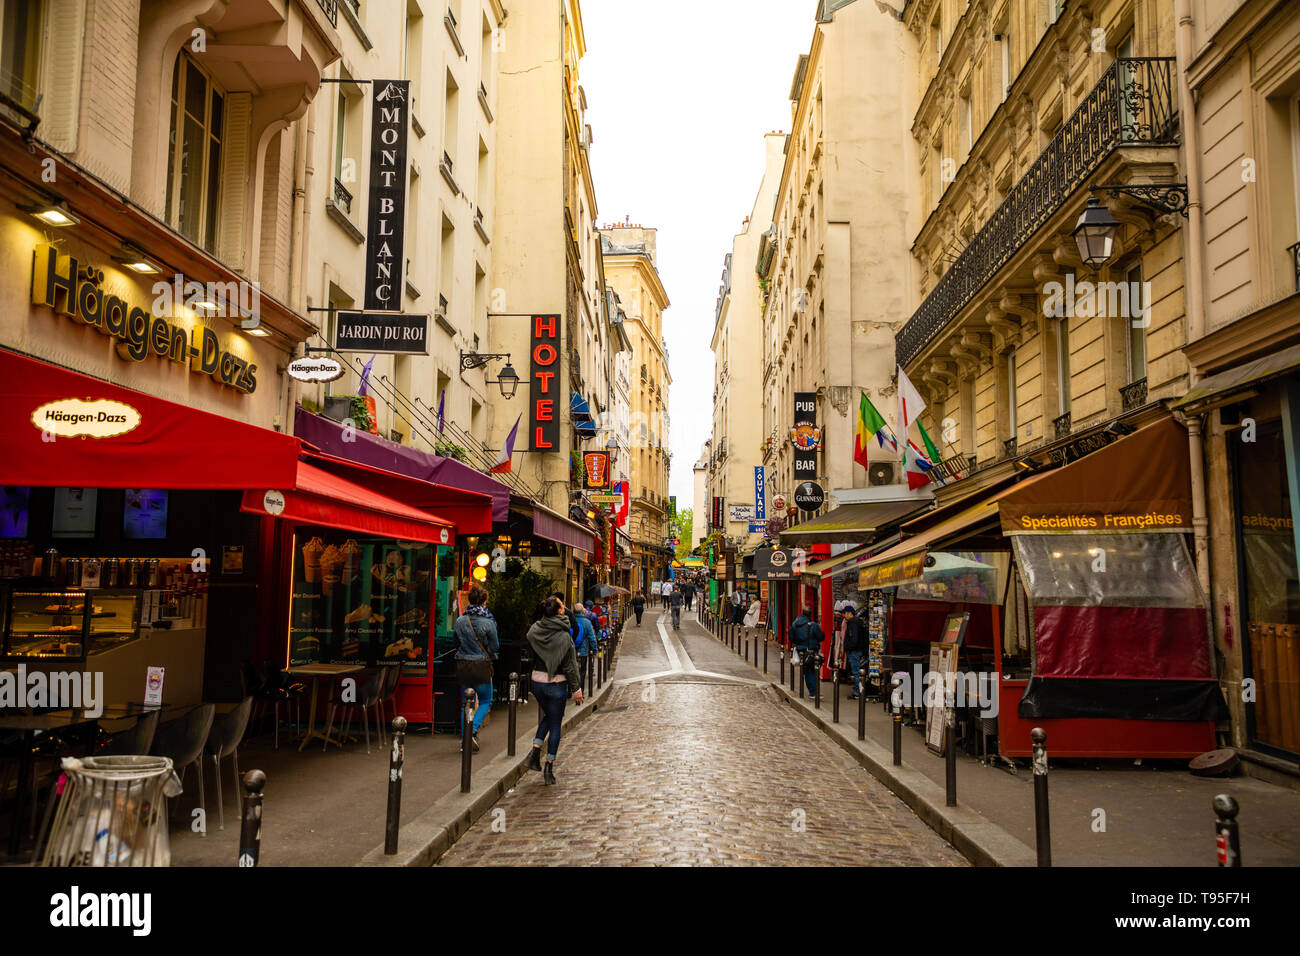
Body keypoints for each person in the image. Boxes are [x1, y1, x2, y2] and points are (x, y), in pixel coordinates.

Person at [524, 596, 584, 784]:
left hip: (537, 682)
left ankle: (535, 753)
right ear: (559, 611)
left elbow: (529, 643)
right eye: (561, 605)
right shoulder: (565, 636)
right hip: (556, 684)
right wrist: (576, 690)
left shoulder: (535, 630)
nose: (565, 607)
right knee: (555, 723)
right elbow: (570, 666)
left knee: (548, 717)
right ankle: (549, 766)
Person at [453, 584, 499, 752]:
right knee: (486, 701)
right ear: (484, 601)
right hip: (481, 665)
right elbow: (495, 646)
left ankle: (465, 735)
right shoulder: (488, 621)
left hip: (463, 664)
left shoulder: (460, 620)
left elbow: (455, 643)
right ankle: (471, 731)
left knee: (466, 702)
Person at [789, 604, 825, 697]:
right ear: (810, 614)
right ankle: (813, 692)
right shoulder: (812, 625)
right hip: (811, 650)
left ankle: (812, 690)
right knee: (811, 671)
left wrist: (799, 643)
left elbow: (791, 637)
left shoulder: (795, 624)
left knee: (806, 671)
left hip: (800, 650)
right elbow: (821, 637)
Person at [842, 605, 865, 699]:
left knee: (856, 672)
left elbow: (854, 639)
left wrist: (849, 648)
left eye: (845, 613)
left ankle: (857, 693)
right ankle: (858, 691)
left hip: (854, 651)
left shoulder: (853, 623)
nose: (844, 615)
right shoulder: (856, 622)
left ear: (850, 613)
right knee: (857, 672)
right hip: (856, 650)